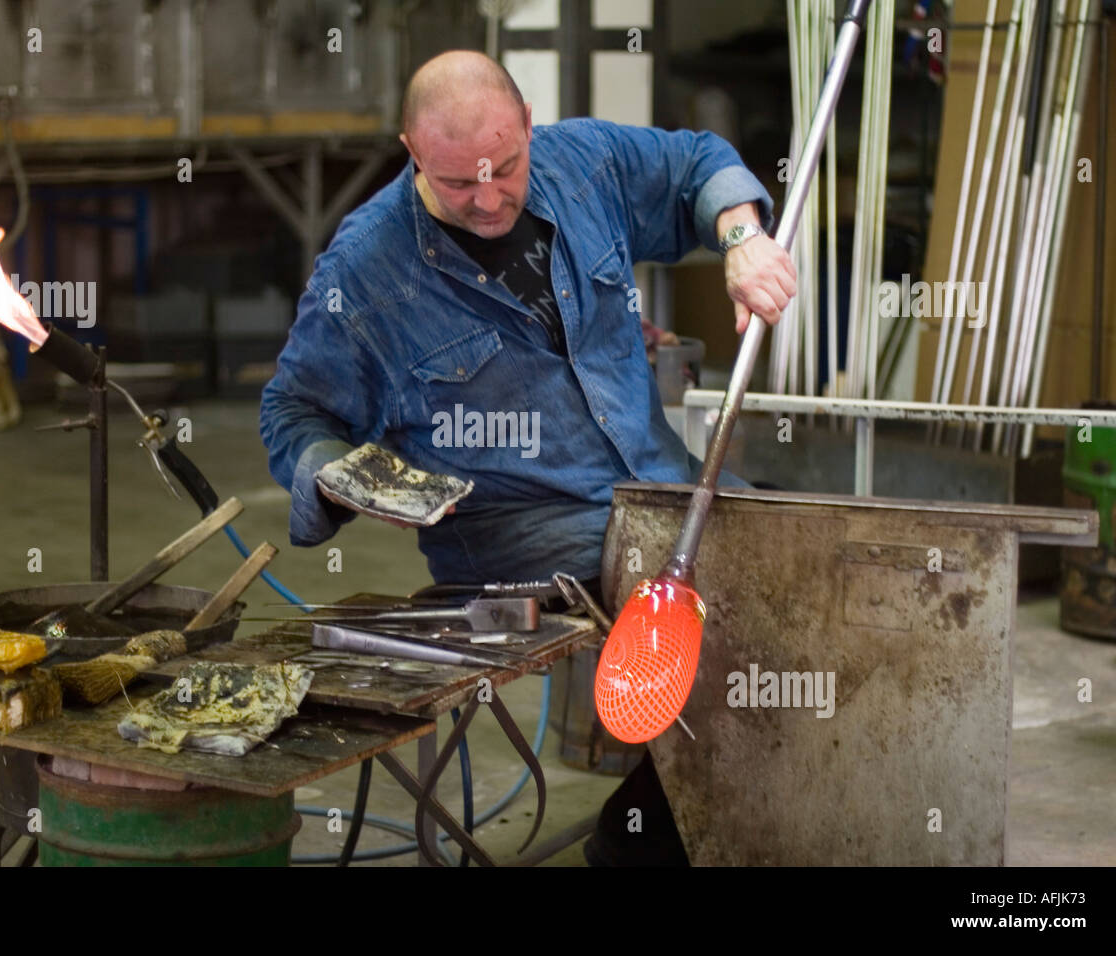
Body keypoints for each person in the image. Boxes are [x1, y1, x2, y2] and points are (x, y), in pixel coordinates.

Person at [260, 50, 796, 865]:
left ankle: (696, 819)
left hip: (659, 485)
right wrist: (335, 476)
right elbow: (292, 410)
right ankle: (647, 842)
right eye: (456, 183)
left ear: (528, 130)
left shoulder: (584, 166)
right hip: (522, 534)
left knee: (802, 556)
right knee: (728, 596)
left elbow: (697, 165)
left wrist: (743, 237)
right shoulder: (367, 271)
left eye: (505, 169)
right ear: (411, 150)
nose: (487, 200)